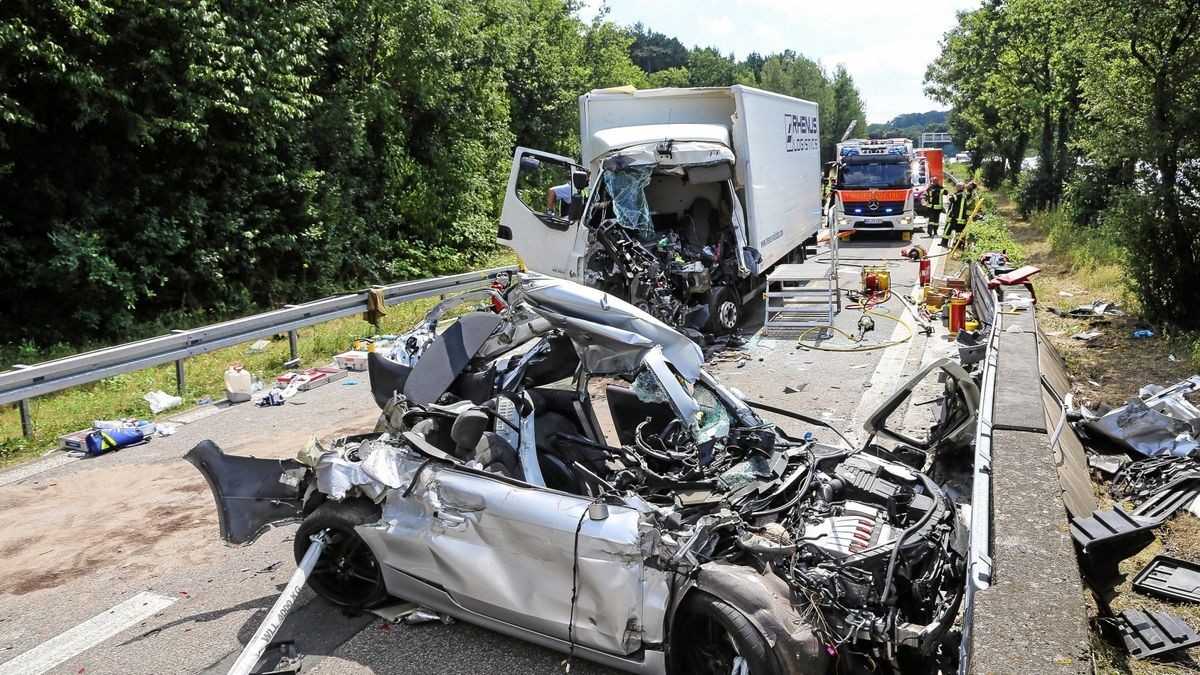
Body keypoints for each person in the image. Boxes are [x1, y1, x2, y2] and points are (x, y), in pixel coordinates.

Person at [940, 181, 977, 248]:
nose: (956, 187)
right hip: (961, 217)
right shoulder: (965, 194)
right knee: (959, 232)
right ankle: (958, 245)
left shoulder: (960, 194)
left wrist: (954, 194)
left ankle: (944, 243)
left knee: (948, 230)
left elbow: (951, 199)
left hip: (954, 216)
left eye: (957, 186)